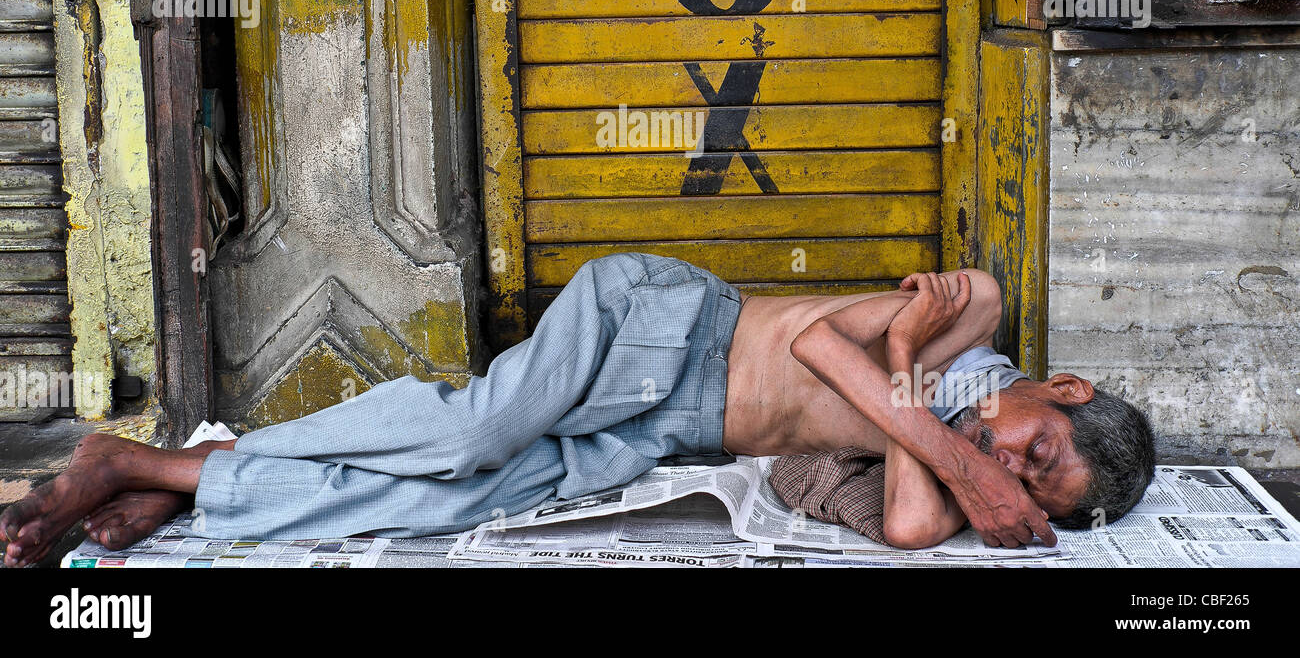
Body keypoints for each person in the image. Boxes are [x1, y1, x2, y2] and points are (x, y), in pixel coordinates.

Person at [1, 253, 1154, 567]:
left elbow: (906, 527)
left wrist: (963, 470)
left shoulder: (952, 464)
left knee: (443, 497)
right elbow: (808, 339)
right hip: (657, 321)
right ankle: (162, 460)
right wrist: (908, 345)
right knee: (468, 432)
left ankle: (158, 472)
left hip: (653, 429)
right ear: (1059, 386)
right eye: (1034, 444)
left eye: (1024, 479)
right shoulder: (969, 312)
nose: (1004, 457)